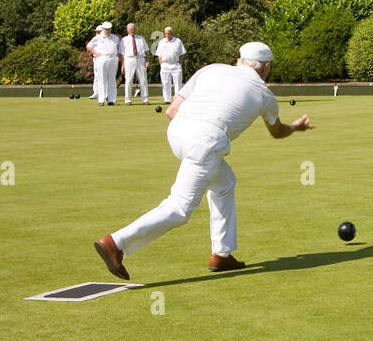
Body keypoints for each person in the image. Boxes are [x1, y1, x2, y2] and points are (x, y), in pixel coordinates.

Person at [93, 42, 313, 279]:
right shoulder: (264, 94)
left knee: (224, 183)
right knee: (180, 207)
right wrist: (296, 128)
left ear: (240, 59)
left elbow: (171, 110)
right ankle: (116, 243)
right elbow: (278, 132)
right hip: (207, 140)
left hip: (177, 131)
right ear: (266, 67)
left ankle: (222, 254)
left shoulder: (212, 69)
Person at [154, 26, 186, 103]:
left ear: (172, 33)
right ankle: (167, 99)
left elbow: (182, 54)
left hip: (176, 64)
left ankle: (177, 100)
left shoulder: (178, 41)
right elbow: (159, 55)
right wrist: (162, 64)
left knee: (178, 83)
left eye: (169, 33)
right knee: (165, 83)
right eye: (166, 33)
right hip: (165, 65)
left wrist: (180, 63)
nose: (168, 35)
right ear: (164, 34)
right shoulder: (161, 42)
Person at [91, 22, 120, 105]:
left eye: (109, 29)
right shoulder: (98, 37)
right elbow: (89, 46)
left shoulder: (115, 38)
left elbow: (118, 49)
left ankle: (111, 100)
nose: (108, 31)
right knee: (102, 80)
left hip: (113, 59)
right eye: (106, 29)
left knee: (112, 80)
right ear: (103, 29)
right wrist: (96, 54)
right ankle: (101, 100)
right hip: (102, 59)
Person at [121, 23, 150, 105]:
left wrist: (147, 60)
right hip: (129, 60)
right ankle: (128, 100)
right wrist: (123, 64)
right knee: (129, 80)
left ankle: (145, 99)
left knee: (143, 80)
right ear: (127, 30)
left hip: (140, 59)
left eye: (133, 29)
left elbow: (146, 50)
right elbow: (121, 54)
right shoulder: (124, 40)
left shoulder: (141, 38)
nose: (132, 30)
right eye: (131, 29)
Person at [85, 24, 103, 99]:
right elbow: (89, 47)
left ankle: (104, 93)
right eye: (97, 32)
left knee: (104, 76)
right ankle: (96, 92)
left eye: (98, 32)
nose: (97, 33)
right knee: (97, 76)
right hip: (96, 59)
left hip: (104, 59)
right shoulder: (95, 38)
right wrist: (93, 54)